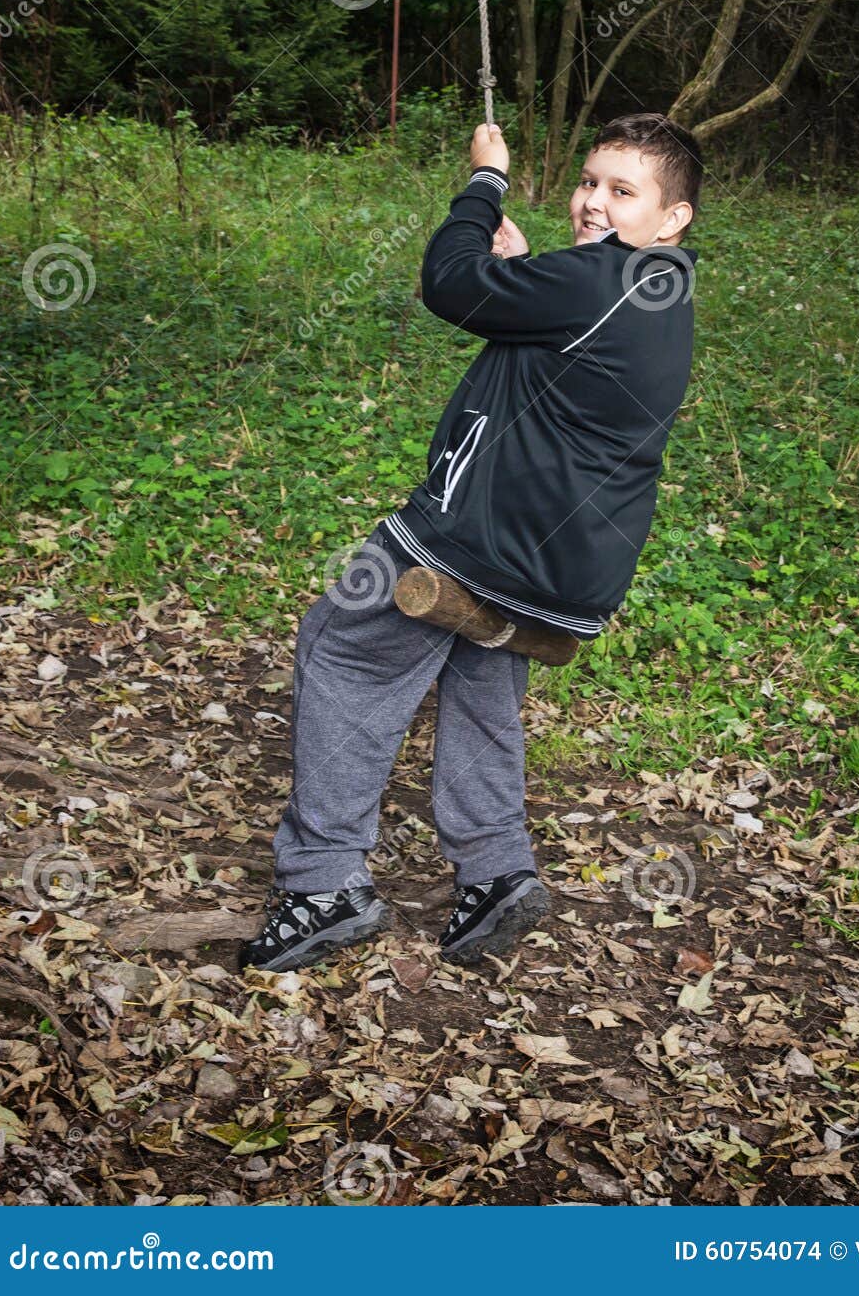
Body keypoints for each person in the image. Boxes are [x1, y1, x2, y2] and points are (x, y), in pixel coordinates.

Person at [238, 112, 702, 972]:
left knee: (339, 651)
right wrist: (523, 278)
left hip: (472, 541)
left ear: (672, 218)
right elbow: (552, 363)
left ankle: (322, 883)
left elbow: (449, 284)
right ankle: (495, 872)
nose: (592, 202)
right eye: (588, 181)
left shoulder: (603, 281)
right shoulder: (652, 293)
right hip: (554, 571)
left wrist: (484, 180)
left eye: (622, 190)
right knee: (480, 682)